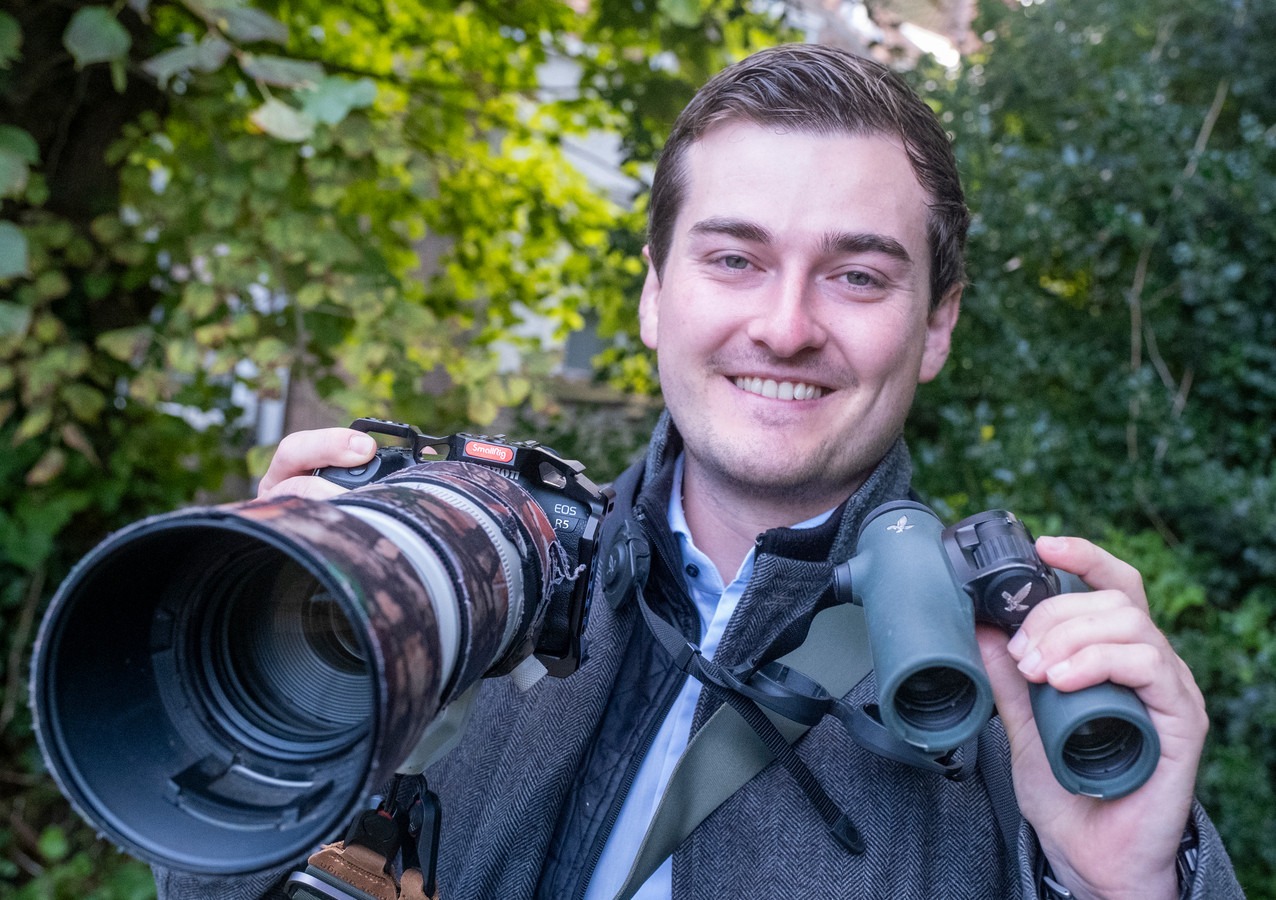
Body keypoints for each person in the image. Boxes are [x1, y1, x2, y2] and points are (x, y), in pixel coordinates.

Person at [245, 43, 1242, 900]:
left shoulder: (1033, 694)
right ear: (652, 293)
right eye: (734, 260)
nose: (784, 326)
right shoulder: (475, 587)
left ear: (936, 323)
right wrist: (267, 670)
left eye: (857, 276)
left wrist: (1125, 887)